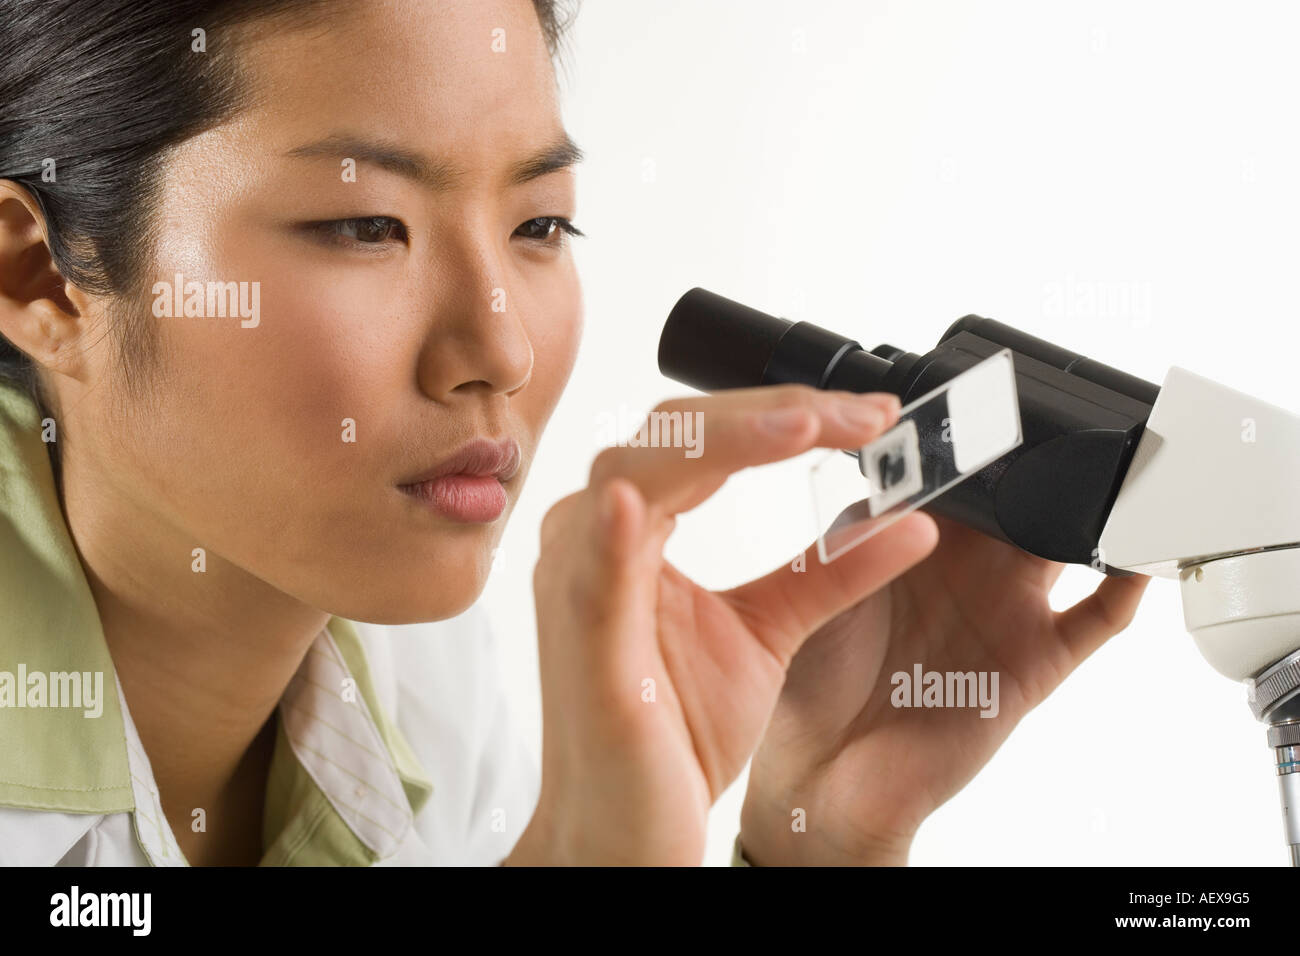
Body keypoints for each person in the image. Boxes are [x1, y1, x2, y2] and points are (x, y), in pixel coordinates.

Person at [0, 0, 1149, 866]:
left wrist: (805, 832)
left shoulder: (420, 684)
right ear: (42, 275)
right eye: (366, 226)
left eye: (539, 222)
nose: (499, 351)